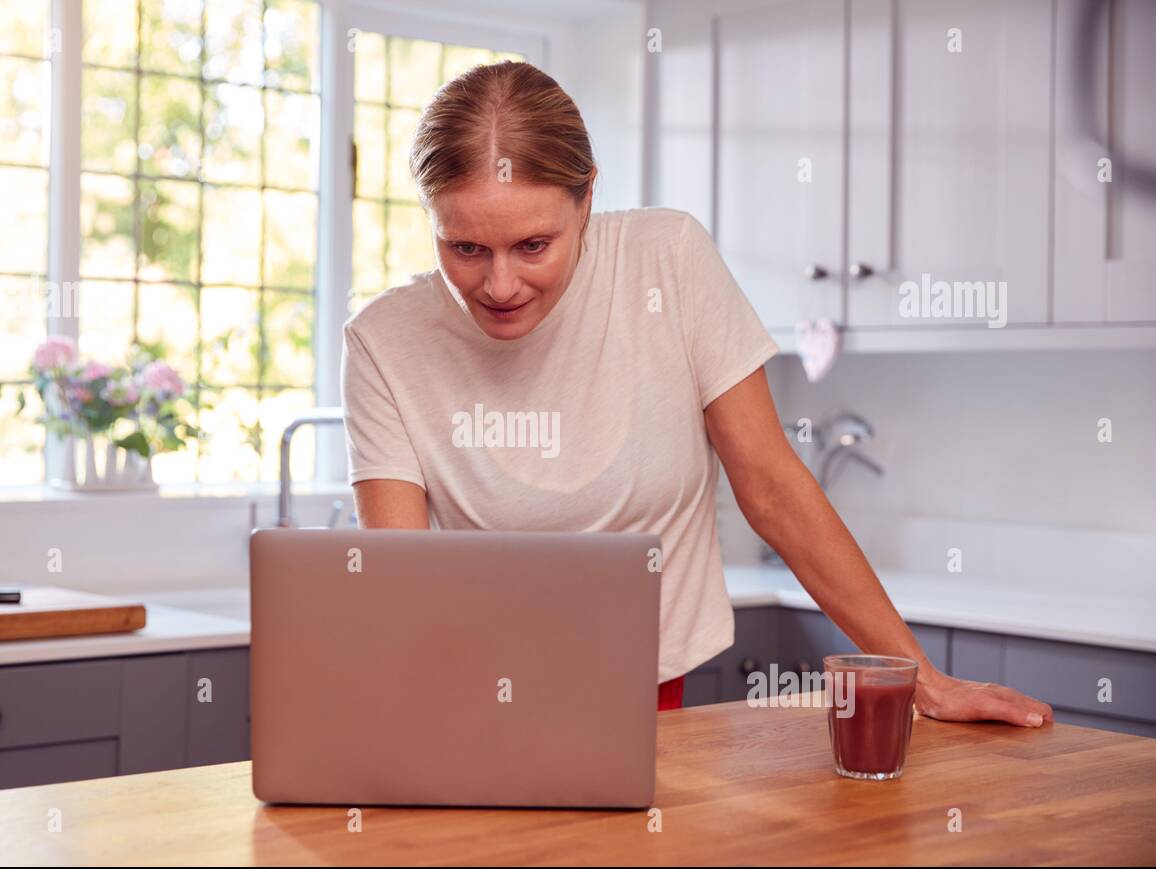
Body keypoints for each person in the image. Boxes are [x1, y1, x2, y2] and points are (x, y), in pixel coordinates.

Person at [341, 61, 1052, 727]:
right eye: (465, 249)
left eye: (533, 246)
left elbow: (772, 486)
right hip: (476, 699)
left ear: (587, 199)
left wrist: (921, 678)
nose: (499, 286)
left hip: (648, 687)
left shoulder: (668, 262)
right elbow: (404, 584)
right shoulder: (384, 341)